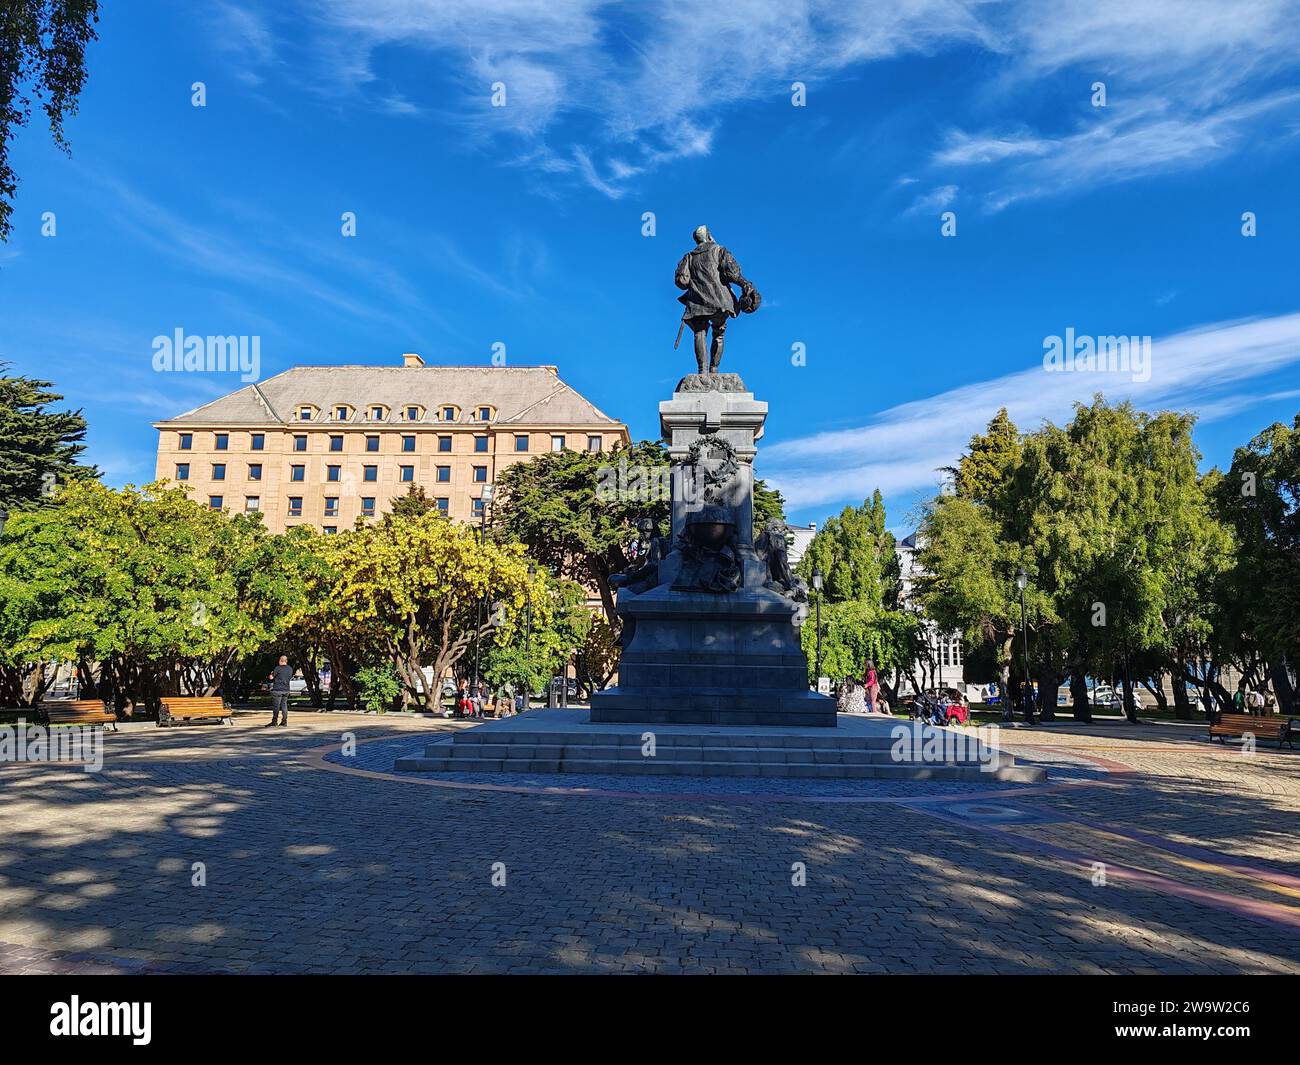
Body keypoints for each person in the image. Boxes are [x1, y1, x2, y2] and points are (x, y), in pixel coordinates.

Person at [267, 655, 292, 727]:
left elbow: (271, 677)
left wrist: (271, 674)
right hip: (286, 689)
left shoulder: (277, 668)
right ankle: (284, 721)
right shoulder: (290, 669)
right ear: (286, 661)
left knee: (276, 706)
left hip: (277, 689)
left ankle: (274, 721)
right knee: (284, 705)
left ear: (280, 660)